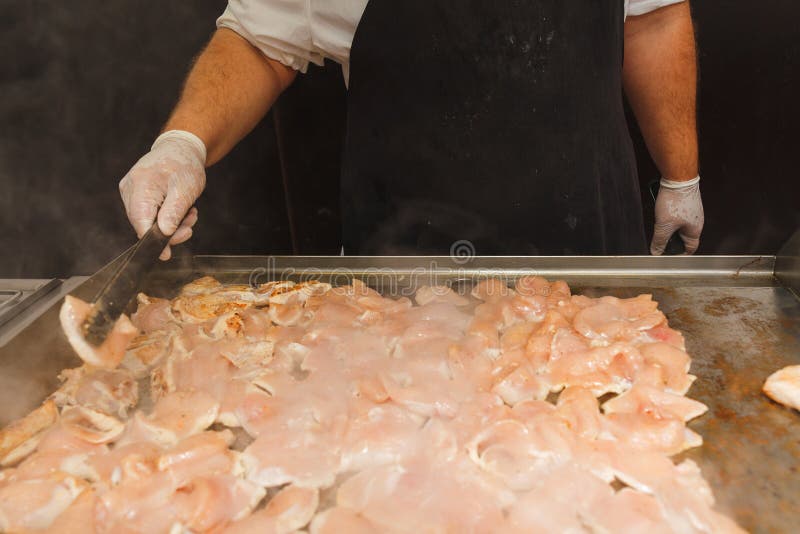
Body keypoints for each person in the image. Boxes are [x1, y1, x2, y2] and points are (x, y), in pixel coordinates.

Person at [119, 0, 704, 259]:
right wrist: (182, 144)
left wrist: (681, 177)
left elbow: (653, 21)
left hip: (592, 254)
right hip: (407, 277)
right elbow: (258, 41)